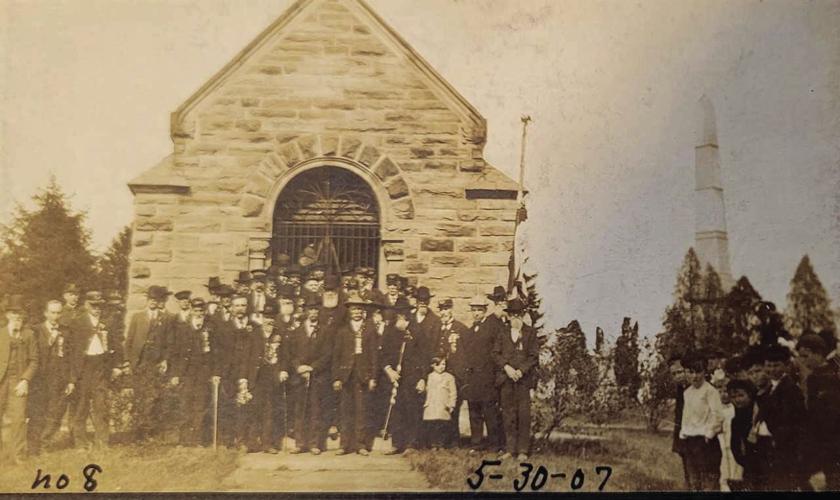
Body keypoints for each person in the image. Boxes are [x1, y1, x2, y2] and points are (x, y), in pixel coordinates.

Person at [68, 291, 123, 450]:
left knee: (101, 406)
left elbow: (115, 345)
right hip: (84, 369)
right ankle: (81, 443)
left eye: (99, 306)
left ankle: (102, 442)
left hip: (100, 368)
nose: (97, 309)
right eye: (93, 306)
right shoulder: (77, 323)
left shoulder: (107, 322)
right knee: (81, 407)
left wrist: (117, 366)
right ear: (86, 305)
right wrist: (72, 377)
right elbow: (71, 351)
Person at [493, 298, 538, 460]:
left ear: (523, 315)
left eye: (519, 315)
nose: (515, 318)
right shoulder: (502, 332)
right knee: (508, 415)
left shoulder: (530, 332)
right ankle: (510, 449)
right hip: (506, 380)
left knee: (523, 415)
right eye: (513, 315)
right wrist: (507, 367)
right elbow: (495, 354)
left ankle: (523, 451)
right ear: (509, 316)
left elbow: (533, 357)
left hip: (523, 381)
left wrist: (521, 370)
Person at [125, 285, 172, 441]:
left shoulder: (164, 319)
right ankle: (138, 432)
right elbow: (129, 341)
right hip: (140, 362)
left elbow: (167, 343)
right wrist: (130, 361)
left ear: (159, 301)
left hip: (155, 363)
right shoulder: (138, 317)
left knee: (153, 397)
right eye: (151, 299)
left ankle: (151, 431)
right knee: (139, 396)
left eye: (156, 300)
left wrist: (164, 360)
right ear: (147, 300)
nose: (153, 302)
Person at [332, 296, 378, 456]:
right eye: (354, 309)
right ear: (349, 311)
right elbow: (336, 357)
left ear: (363, 311)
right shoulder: (343, 331)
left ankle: (360, 444)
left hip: (362, 375)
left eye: (359, 309)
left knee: (361, 410)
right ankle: (344, 444)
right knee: (345, 411)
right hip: (346, 375)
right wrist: (336, 377)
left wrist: (373, 377)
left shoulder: (370, 330)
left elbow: (374, 355)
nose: (357, 312)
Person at [170, 297, 219, 446]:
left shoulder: (210, 328)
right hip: (186, 373)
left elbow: (216, 353)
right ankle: (184, 440)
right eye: (195, 310)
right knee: (185, 404)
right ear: (191, 310)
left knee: (200, 405)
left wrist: (215, 373)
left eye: (201, 310)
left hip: (203, 373)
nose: (198, 313)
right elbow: (175, 352)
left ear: (204, 311)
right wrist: (175, 374)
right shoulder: (183, 328)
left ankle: (197, 440)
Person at [381, 299, 427, 455]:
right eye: (398, 313)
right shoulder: (389, 331)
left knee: (411, 409)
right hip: (395, 377)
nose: (400, 317)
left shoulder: (417, 330)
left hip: (412, 378)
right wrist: (389, 370)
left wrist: (422, 378)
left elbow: (424, 356)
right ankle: (397, 443)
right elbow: (383, 354)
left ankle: (411, 443)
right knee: (396, 409)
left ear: (407, 314)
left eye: (403, 314)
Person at [796, 332, 840, 491]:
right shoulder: (814, 377)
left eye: (805, 356)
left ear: (819, 353)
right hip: (822, 442)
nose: (802, 361)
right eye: (800, 356)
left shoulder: (832, 375)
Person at [289, 294, 332, 455]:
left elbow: (327, 354)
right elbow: (291, 354)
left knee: (316, 410)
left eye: (316, 309)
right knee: (300, 410)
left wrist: (312, 368)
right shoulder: (297, 331)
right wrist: (299, 367)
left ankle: (315, 443)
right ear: (305, 311)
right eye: (310, 309)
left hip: (317, 377)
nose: (313, 312)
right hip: (299, 377)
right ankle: (300, 443)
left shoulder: (325, 331)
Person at [28, 300, 73, 455]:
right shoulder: (36, 330)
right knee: (38, 413)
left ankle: (45, 443)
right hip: (40, 379)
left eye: (58, 313)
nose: (55, 316)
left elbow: (70, 358)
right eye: (52, 312)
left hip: (59, 379)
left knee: (56, 412)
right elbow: (32, 356)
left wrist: (70, 380)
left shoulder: (66, 331)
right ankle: (33, 447)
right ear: (46, 313)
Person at [760, 343, 806, 489]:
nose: (772, 369)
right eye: (768, 365)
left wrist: (776, 438)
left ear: (786, 365)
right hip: (771, 446)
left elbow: (791, 421)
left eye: (776, 365)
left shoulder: (790, 389)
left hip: (784, 446)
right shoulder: (769, 388)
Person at [462, 295, 504, 453]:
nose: (476, 314)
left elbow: (497, 352)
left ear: (485, 311)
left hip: (487, 377)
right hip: (473, 378)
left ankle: (495, 445)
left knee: (490, 413)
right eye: (473, 310)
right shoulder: (471, 330)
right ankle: (476, 444)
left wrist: (496, 376)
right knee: (474, 412)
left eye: (479, 310)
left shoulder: (492, 328)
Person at [0, 295, 38, 462]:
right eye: (14, 314)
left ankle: (18, 456)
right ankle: (3, 454)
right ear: (7, 315)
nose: (17, 318)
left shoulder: (29, 335)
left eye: (20, 315)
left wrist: (25, 380)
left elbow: (35, 360)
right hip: (1, 381)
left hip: (18, 381)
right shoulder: (0, 334)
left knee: (18, 419)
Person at [678, 355, 724, 491]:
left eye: (698, 372)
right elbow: (686, 415)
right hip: (690, 441)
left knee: (708, 479)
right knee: (693, 479)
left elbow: (718, 415)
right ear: (686, 373)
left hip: (705, 442)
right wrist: (683, 433)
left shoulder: (710, 391)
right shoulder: (687, 393)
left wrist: (709, 433)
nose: (695, 376)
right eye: (690, 372)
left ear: (705, 372)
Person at [437, 298, 469, 448]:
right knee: (441, 405)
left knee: (454, 406)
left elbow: (466, 353)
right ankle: (442, 440)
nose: (444, 312)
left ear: (452, 310)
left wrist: (462, 376)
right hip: (441, 374)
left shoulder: (460, 329)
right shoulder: (438, 329)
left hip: (456, 375)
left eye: (447, 309)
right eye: (442, 309)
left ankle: (454, 441)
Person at [727, 378, 761, 491]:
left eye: (741, 395)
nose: (737, 400)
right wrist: (745, 462)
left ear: (750, 395)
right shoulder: (736, 420)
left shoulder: (758, 413)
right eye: (733, 397)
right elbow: (734, 447)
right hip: (749, 465)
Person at [423, 357, 457, 450]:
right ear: (433, 366)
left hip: (443, 404)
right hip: (432, 404)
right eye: (439, 365)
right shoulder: (429, 376)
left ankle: (441, 444)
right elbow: (426, 390)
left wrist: (451, 404)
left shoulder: (449, 377)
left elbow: (453, 392)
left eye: (444, 364)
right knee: (432, 425)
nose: (442, 367)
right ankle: (433, 444)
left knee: (442, 425)